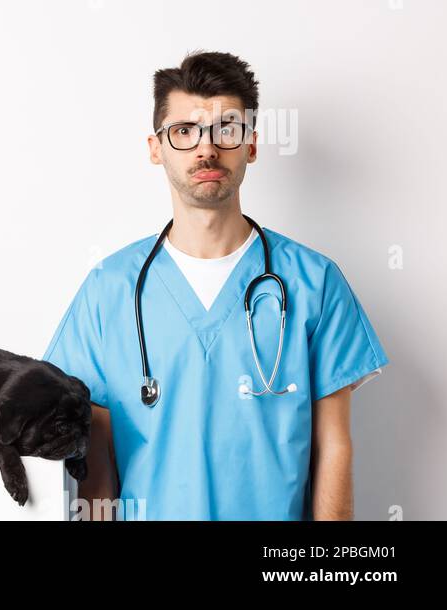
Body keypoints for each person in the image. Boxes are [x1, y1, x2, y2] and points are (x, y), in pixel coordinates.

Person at [44, 51, 388, 520]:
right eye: (184, 132)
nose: (206, 149)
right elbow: (95, 462)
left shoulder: (314, 282)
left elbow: (333, 449)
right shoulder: (110, 290)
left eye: (226, 129)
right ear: (155, 147)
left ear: (250, 144)